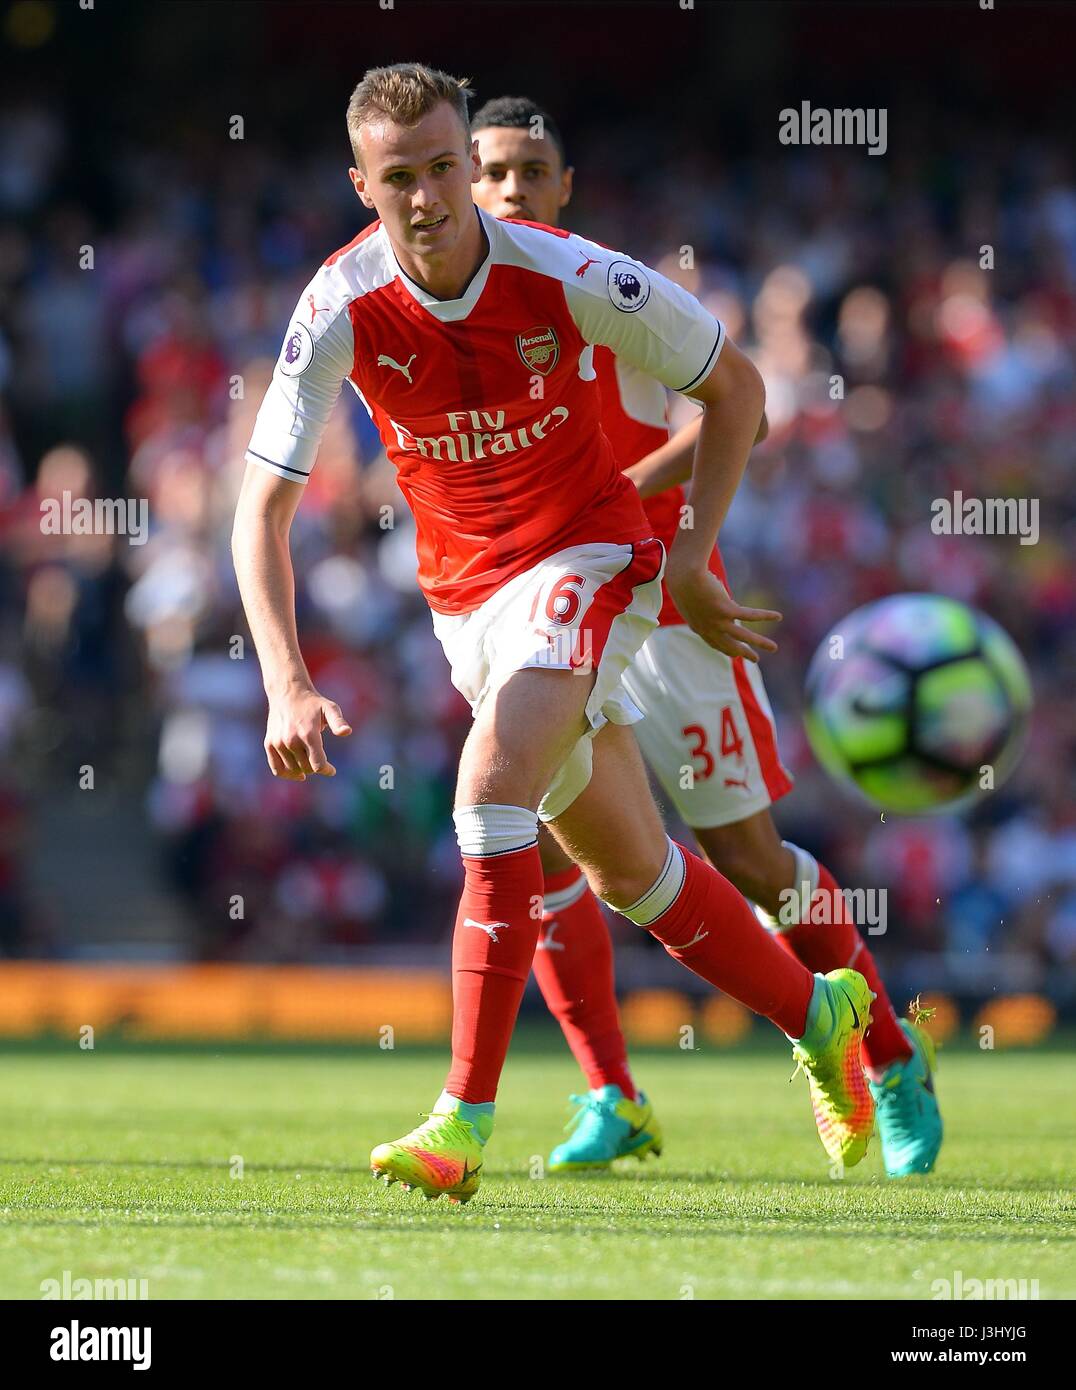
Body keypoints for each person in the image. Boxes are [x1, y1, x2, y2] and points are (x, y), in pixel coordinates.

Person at [233, 63, 874, 1204]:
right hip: (463, 602)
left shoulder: (567, 272)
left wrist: (682, 554)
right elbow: (261, 508)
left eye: (445, 169)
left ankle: (459, 1118)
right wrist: (283, 680)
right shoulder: (338, 303)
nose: (431, 198)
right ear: (360, 185)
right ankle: (816, 1010)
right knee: (633, 873)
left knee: (489, 783)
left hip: (587, 558)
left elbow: (733, 386)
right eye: (401, 179)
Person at [469, 95, 943, 1180]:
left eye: (530, 171)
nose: (509, 192)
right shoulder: (462, 312)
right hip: (550, 610)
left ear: (564, 186)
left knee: (751, 862)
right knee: (540, 837)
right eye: (490, 172)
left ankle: (887, 1050)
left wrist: (623, 504)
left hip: (668, 609)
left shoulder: (601, 291)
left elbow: (743, 406)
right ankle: (610, 1092)